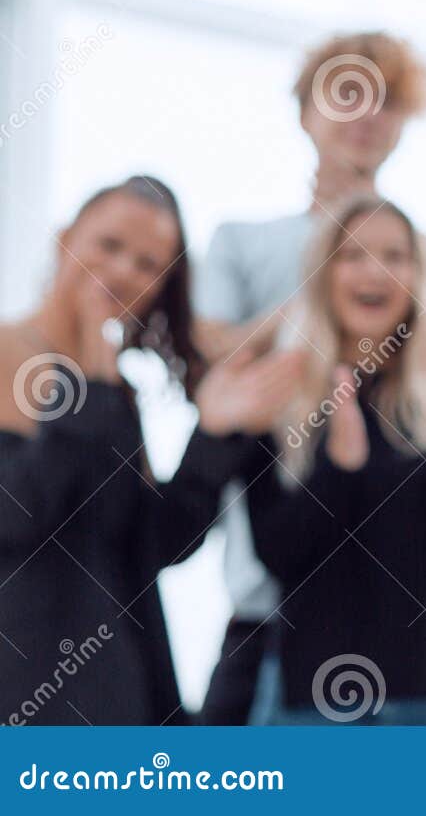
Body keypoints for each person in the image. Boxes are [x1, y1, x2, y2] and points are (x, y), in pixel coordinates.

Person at [194, 31, 426, 725]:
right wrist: (324, 270)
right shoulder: (244, 241)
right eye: (345, 96)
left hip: (389, 596)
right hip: (270, 576)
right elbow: (215, 364)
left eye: (386, 102)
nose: (366, 116)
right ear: (306, 112)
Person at [0, 176, 302, 724]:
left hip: (122, 694)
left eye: (147, 265)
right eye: (109, 246)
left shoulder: (116, 392)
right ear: (65, 238)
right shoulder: (8, 352)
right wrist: (88, 387)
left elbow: (150, 545)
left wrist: (213, 433)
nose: (122, 273)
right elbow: (14, 517)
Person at [243, 196, 426, 725]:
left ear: (416, 276)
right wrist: (339, 467)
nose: (375, 272)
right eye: (354, 255)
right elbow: (276, 554)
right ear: (324, 273)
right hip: (315, 701)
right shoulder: (279, 396)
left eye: (394, 255)